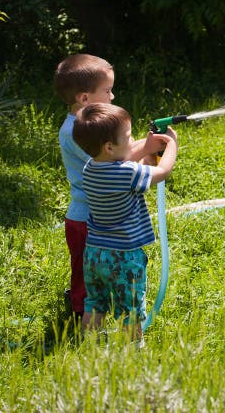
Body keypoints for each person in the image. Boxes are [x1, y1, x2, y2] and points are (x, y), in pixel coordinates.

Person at [53, 54, 163, 319]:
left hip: (96, 214)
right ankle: (80, 313)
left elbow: (120, 157)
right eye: (107, 91)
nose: (112, 97)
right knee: (85, 271)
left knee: (93, 267)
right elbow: (115, 166)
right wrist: (147, 149)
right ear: (84, 99)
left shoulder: (87, 129)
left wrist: (145, 147)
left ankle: (90, 304)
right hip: (85, 218)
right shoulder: (75, 133)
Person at [72, 103, 177, 342]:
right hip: (124, 256)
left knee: (95, 304)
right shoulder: (127, 173)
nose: (133, 143)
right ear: (109, 146)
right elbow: (162, 171)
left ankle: (89, 345)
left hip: (95, 254)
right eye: (129, 138)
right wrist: (171, 145)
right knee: (130, 311)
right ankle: (133, 354)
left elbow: (128, 162)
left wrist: (148, 149)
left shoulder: (90, 168)